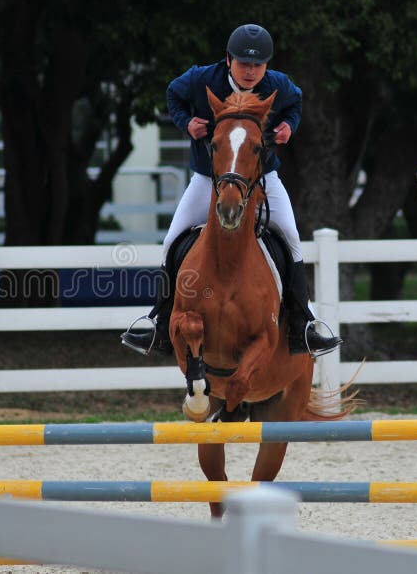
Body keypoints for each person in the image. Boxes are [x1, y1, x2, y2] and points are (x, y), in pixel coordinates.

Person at [121, 23, 342, 358]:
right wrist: (185, 123)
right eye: (244, 63)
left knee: (292, 237)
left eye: (258, 65)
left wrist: (288, 127)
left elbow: (295, 104)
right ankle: (159, 322)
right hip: (208, 180)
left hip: (262, 178)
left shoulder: (278, 85)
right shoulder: (200, 79)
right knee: (171, 241)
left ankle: (302, 324)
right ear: (228, 60)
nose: (251, 71)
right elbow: (172, 94)